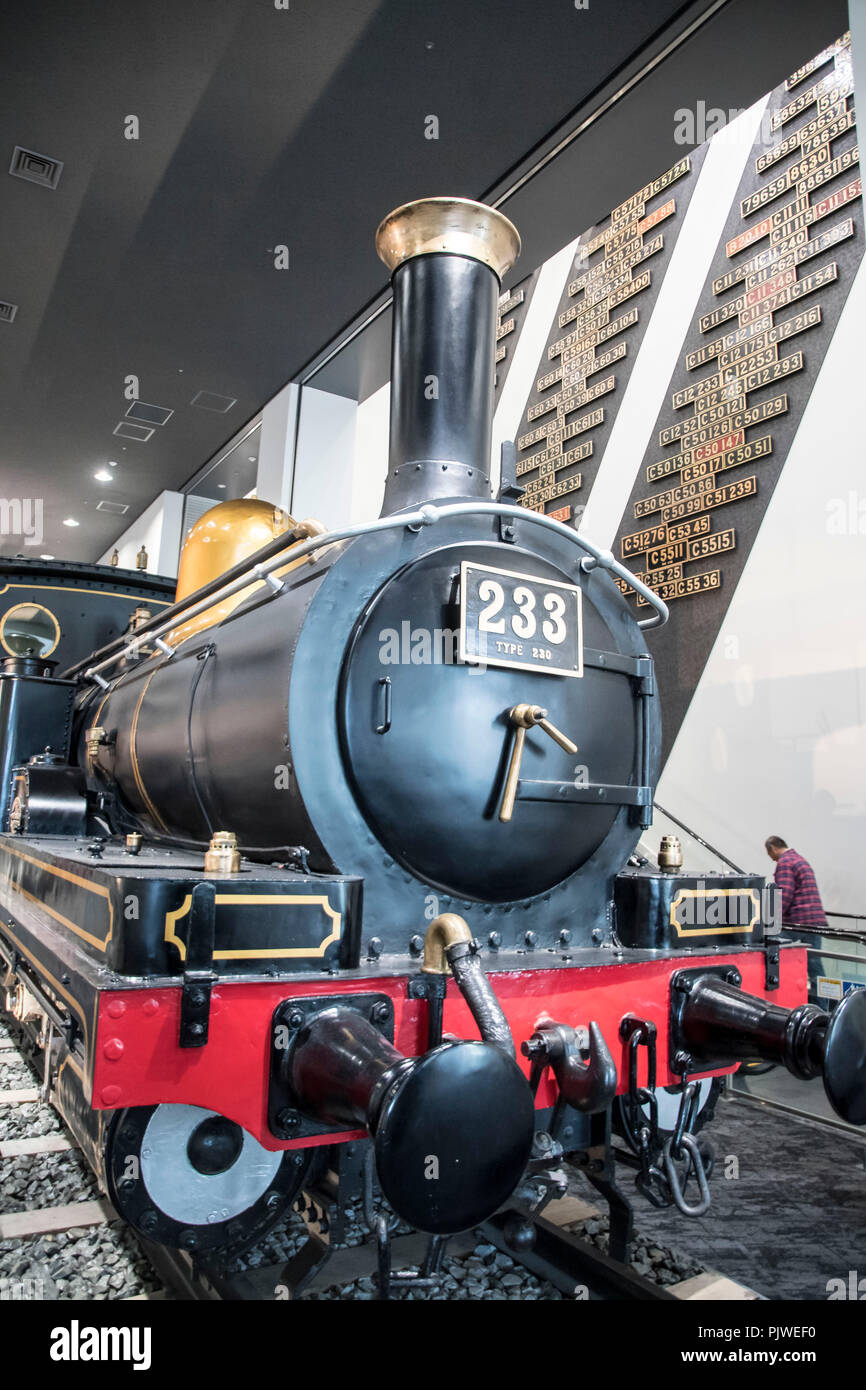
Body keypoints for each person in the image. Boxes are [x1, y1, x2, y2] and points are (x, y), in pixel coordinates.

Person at [765, 836, 827, 927]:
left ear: (773, 848)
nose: (772, 859)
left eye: (769, 853)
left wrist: (770, 918)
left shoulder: (785, 862)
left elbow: (784, 894)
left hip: (798, 920)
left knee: (770, 938)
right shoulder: (799, 859)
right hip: (815, 919)